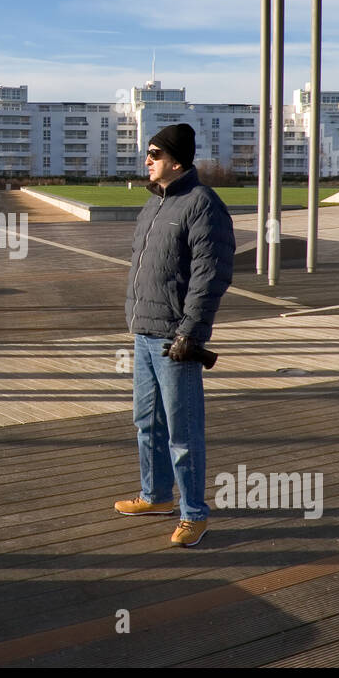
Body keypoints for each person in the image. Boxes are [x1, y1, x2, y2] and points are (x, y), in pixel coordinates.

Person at [115, 123, 235, 547]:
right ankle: (156, 496)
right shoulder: (154, 205)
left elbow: (210, 275)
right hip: (144, 333)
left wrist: (192, 332)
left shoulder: (202, 204)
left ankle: (194, 514)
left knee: (182, 432)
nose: (146, 160)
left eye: (154, 154)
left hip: (175, 340)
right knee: (146, 423)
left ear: (177, 160)